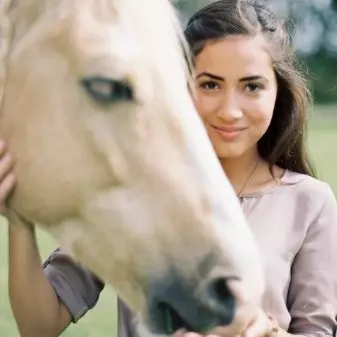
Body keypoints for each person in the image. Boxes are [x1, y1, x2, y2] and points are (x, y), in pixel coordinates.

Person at [1, 0, 337, 337]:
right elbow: (39, 325)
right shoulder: (136, 190)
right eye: (209, 84)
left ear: (278, 92)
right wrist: (19, 216)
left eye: (252, 86)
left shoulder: (310, 203)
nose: (229, 110)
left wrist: (262, 331)